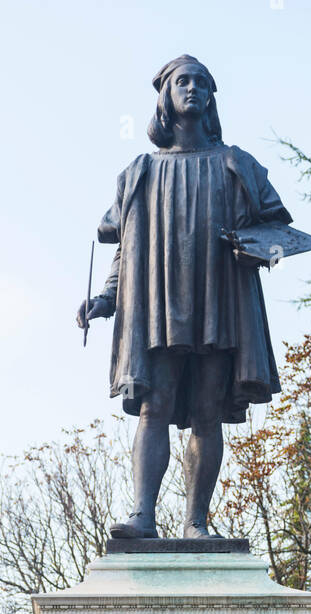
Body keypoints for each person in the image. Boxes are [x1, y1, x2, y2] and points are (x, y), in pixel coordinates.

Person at [78, 55, 292, 540]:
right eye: (183, 82)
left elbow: (278, 231)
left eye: (202, 82)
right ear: (166, 97)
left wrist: (257, 249)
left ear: (211, 96)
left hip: (218, 300)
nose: (193, 89)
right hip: (157, 304)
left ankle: (196, 523)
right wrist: (106, 299)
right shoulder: (140, 173)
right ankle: (143, 516)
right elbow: (126, 249)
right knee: (155, 404)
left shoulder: (238, 165)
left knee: (206, 410)